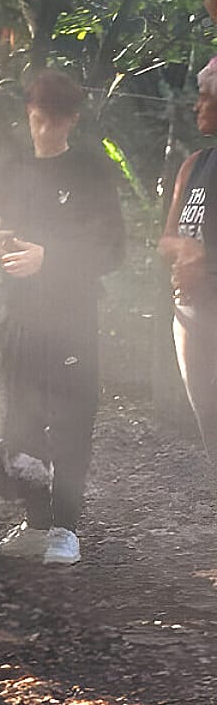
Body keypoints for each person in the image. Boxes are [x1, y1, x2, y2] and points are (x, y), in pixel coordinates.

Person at [0, 68, 125, 566]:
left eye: (56, 122)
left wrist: (52, 258)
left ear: (73, 120)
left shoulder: (91, 171)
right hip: (19, 315)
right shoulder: (8, 169)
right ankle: (34, 522)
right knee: (20, 421)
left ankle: (65, 527)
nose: (46, 131)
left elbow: (113, 249)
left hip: (72, 316)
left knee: (70, 417)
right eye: (39, 119)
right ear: (28, 114)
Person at [158, 56, 217, 470]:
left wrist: (208, 258)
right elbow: (167, 238)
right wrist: (183, 251)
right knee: (210, 424)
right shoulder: (193, 165)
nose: (196, 106)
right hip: (191, 312)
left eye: (204, 97)